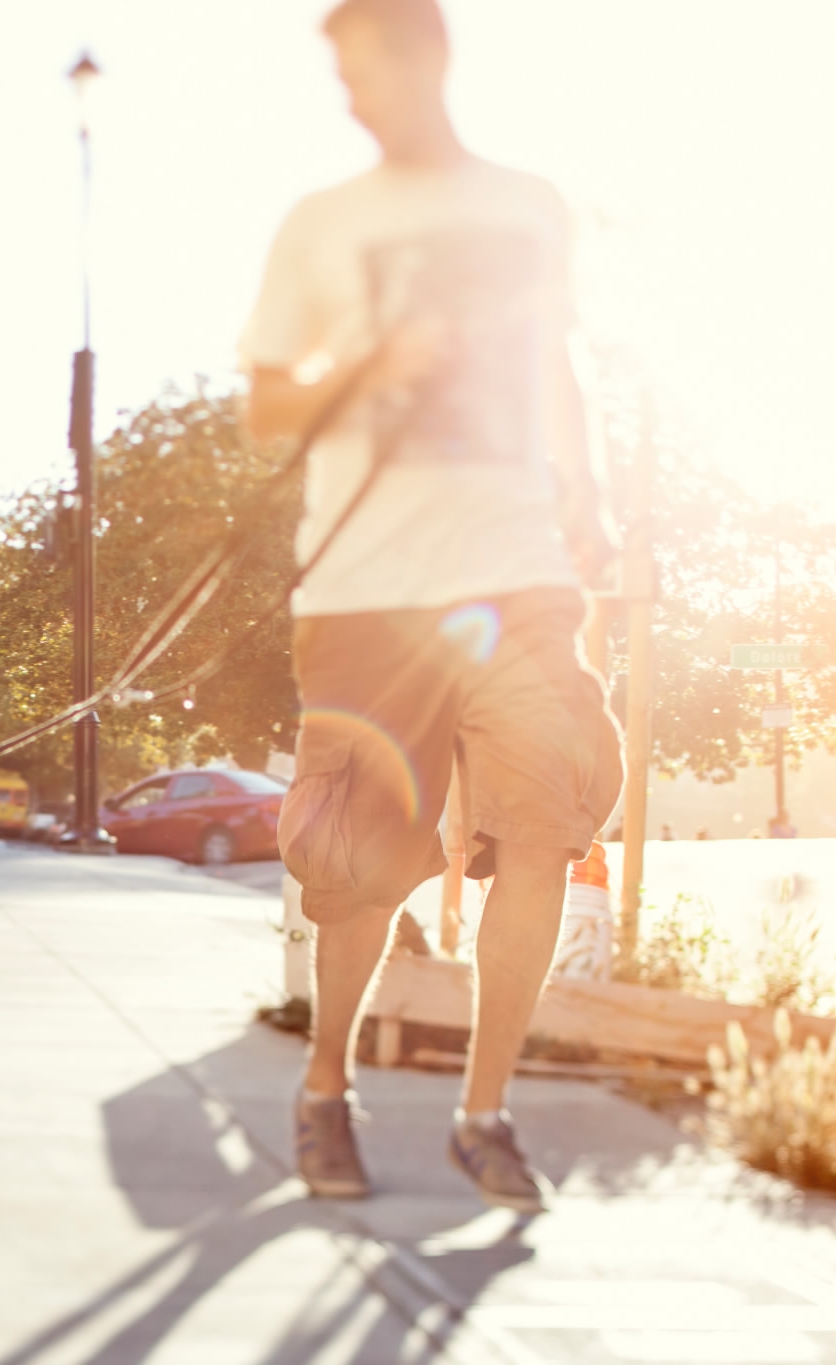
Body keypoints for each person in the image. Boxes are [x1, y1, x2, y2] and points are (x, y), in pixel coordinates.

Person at [244, 0, 623, 1212]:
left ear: (432, 58)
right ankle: (323, 1088)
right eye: (342, 85)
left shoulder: (527, 206)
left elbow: (554, 363)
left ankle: (484, 1110)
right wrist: (365, 371)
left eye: (371, 77)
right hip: (368, 590)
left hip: (516, 570)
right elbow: (262, 408)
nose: (357, 104)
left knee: (543, 830)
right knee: (358, 865)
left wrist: (591, 497)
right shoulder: (321, 223)